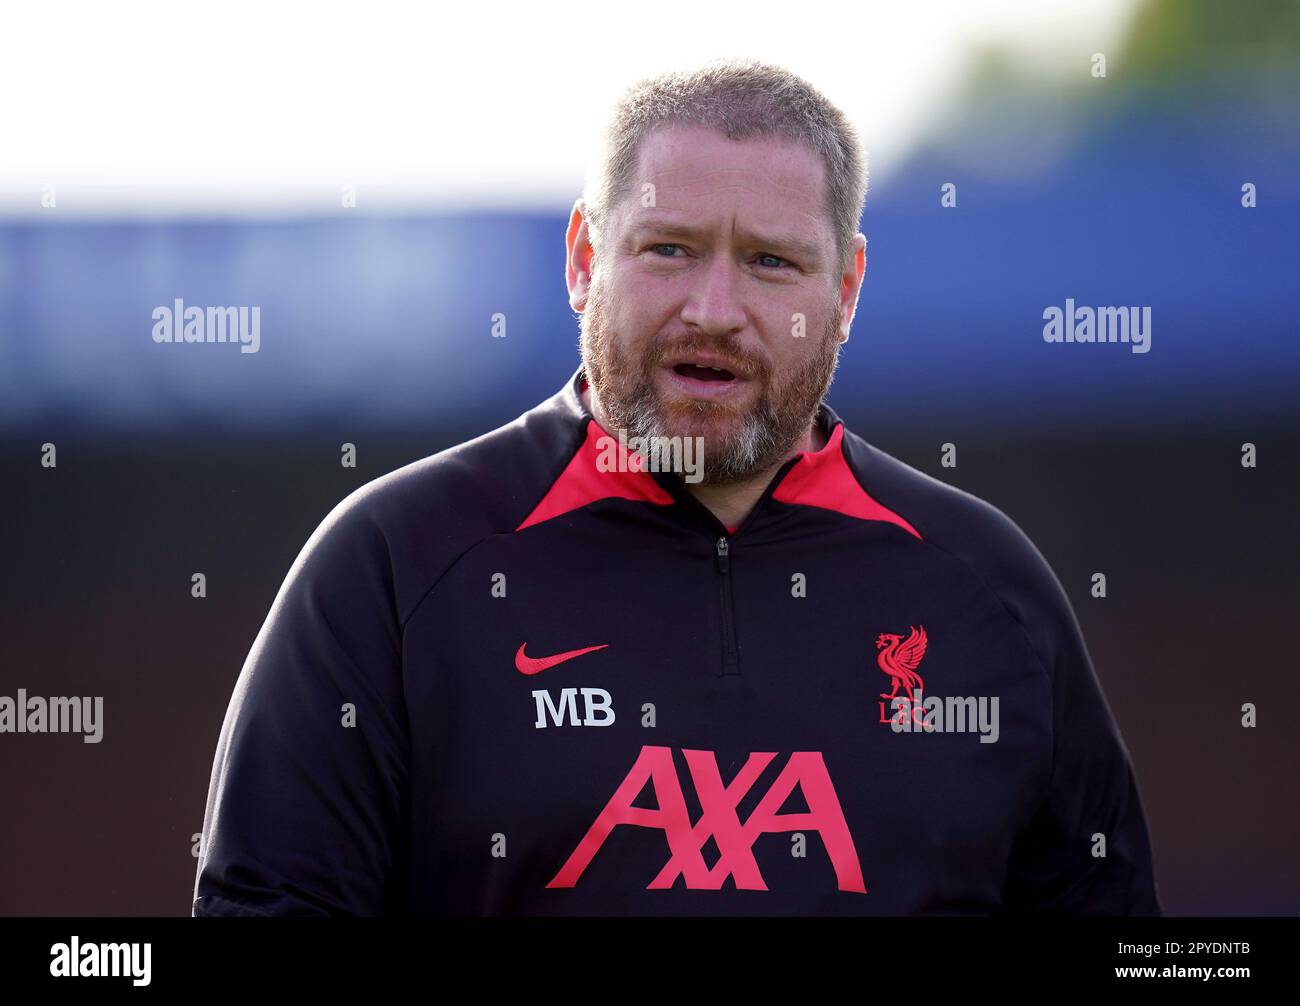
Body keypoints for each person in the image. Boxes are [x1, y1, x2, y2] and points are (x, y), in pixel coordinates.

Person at [193, 58, 1162, 916]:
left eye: (771, 263)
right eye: (669, 249)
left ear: (847, 291)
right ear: (583, 259)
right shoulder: (391, 570)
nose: (715, 310)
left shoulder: (986, 594)